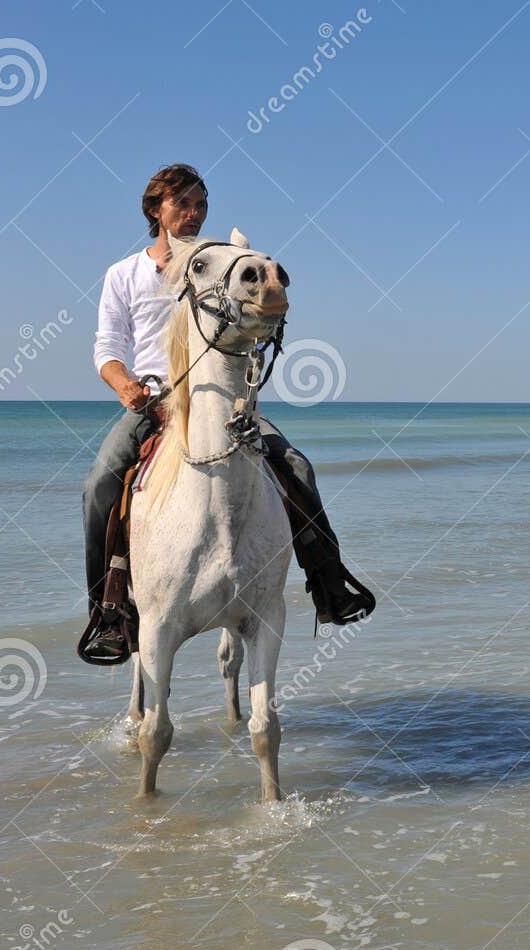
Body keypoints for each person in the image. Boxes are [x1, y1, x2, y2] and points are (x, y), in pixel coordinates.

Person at [79, 164, 373, 663]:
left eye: (201, 206)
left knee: (296, 466)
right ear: (156, 211)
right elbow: (108, 347)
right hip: (157, 401)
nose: (194, 215)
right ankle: (109, 611)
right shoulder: (123, 274)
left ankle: (328, 584)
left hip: (222, 397)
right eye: (183, 205)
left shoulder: (220, 263)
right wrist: (125, 385)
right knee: (99, 486)